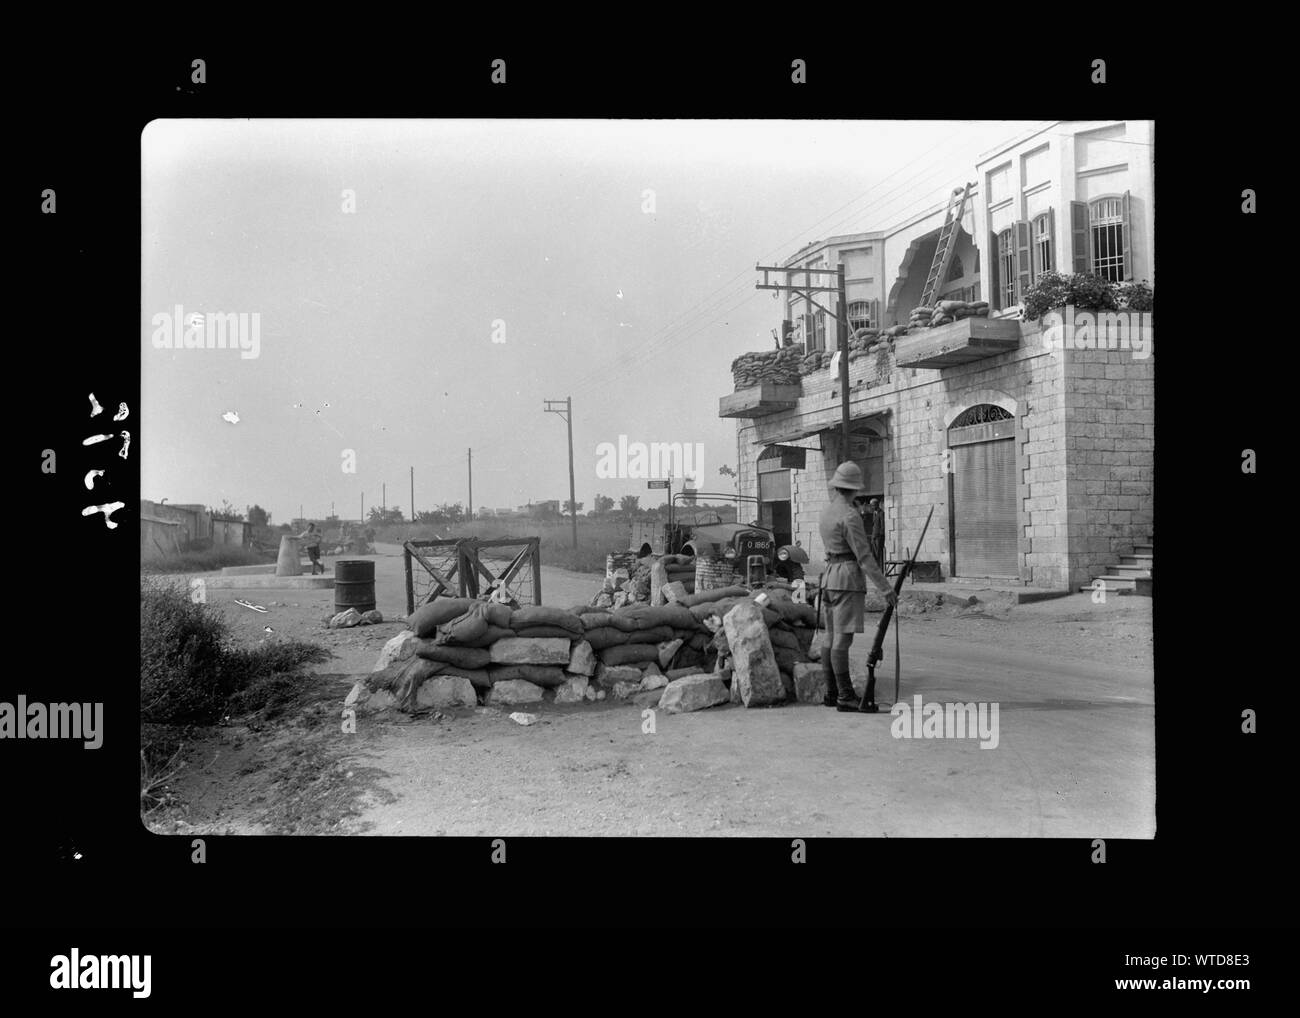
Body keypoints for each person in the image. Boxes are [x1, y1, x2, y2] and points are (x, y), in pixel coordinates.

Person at [818, 462, 896, 713]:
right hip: (847, 580)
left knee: (829, 637)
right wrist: (886, 588)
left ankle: (831, 692)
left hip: (829, 578)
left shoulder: (827, 512)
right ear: (854, 489)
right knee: (843, 640)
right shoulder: (850, 516)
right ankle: (845, 695)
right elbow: (864, 557)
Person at [868, 497, 886, 570]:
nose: (872, 507)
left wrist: (880, 536)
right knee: (874, 555)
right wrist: (873, 537)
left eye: (873, 505)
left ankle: (881, 570)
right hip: (874, 537)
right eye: (871, 505)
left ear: (877, 504)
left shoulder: (881, 513)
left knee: (879, 554)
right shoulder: (874, 514)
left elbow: (882, 526)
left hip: (878, 537)